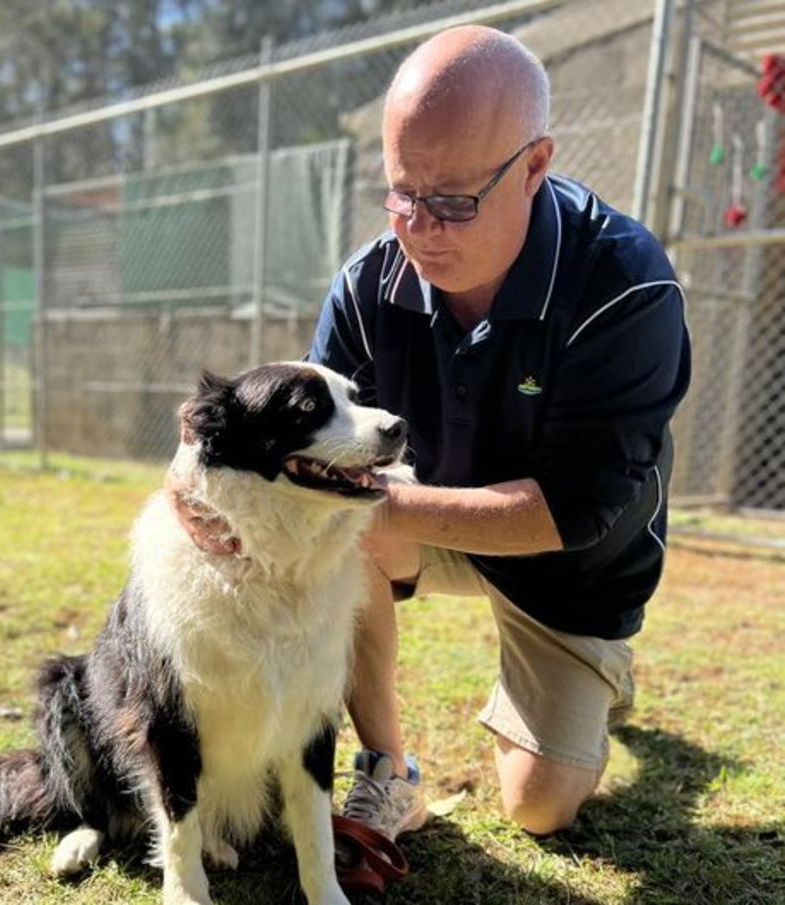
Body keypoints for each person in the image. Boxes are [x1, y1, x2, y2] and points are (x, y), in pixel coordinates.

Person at [169, 25, 690, 841]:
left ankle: (600, 683)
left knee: (539, 806)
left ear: (535, 165)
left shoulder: (625, 287)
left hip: (573, 563)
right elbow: (308, 453)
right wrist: (209, 493)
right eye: (401, 193)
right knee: (341, 524)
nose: (419, 227)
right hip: (425, 515)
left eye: (451, 200)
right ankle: (388, 767)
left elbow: (571, 512)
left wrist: (360, 506)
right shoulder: (369, 283)